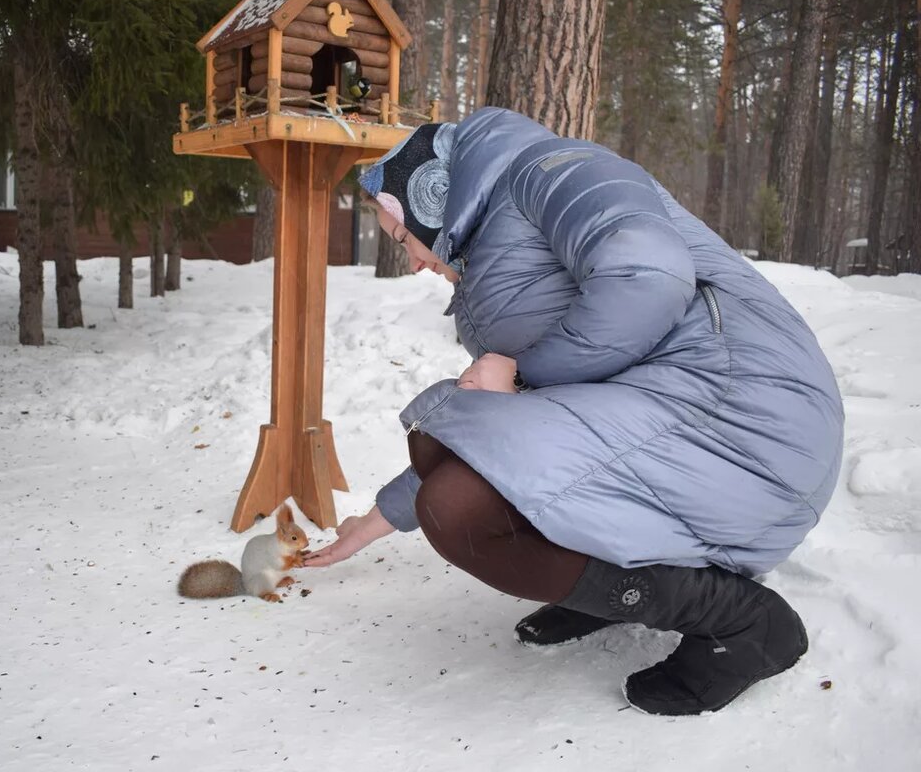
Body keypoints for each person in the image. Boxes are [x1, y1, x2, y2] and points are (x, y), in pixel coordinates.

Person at [303, 108, 844, 716]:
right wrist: (375, 520)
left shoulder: (551, 171)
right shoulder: (488, 256)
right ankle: (605, 594)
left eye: (400, 236)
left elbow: (649, 277)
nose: (411, 259)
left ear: (432, 198)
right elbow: (511, 434)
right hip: (674, 415)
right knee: (447, 447)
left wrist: (523, 372)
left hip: (744, 415)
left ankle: (745, 624)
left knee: (458, 508)